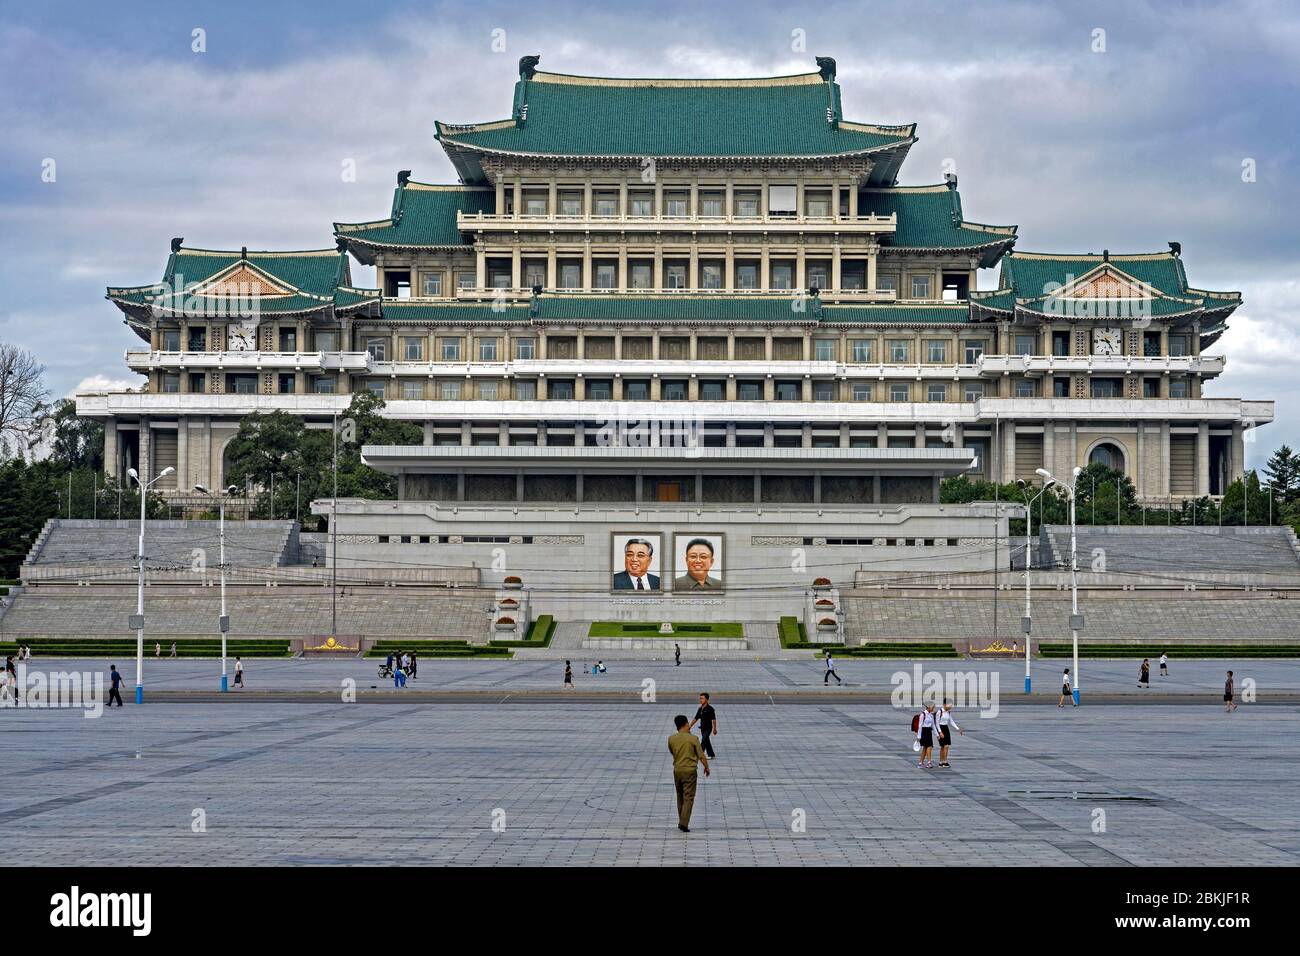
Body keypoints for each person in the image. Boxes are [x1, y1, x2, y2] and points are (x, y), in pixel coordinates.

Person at [667, 714, 709, 832]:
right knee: (689, 797)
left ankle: (681, 820)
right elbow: (701, 756)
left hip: (677, 770)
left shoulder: (671, 739)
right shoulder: (693, 739)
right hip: (690, 771)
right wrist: (707, 767)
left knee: (680, 796)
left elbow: (672, 752)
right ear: (685, 724)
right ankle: (684, 823)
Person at [689, 692, 718, 758]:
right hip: (702, 728)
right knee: (707, 741)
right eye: (700, 698)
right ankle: (711, 755)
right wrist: (690, 726)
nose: (701, 700)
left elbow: (713, 720)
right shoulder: (700, 709)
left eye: (702, 698)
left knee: (703, 740)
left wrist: (714, 729)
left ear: (707, 700)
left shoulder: (710, 709)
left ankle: (699, 755)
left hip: (708, 728)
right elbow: (696, 718)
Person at [937, 699, 963, 768]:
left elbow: (951, 721)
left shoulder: (948, 712)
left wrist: (958, 729)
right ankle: (941, 762)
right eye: (949, 705)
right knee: (943, 746)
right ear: (945, 705)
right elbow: (936, 723)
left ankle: (944, 761)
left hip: (946, 728)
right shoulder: (939, 712)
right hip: (940, 728)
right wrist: (940, 732)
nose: (951, 707)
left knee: (946, 746)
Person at [916, 702, 940, 769]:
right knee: (929, 747)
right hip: (924, 732)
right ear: (928, 707)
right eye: (933, 707)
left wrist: (937, 735)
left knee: (925, 748)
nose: (933, 708)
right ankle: (929, 762)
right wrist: (918, 736)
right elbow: (920, 726)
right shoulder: (923, 715)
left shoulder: (931, 715)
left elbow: (933, 726)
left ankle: (920, 763)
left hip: (929, 732)